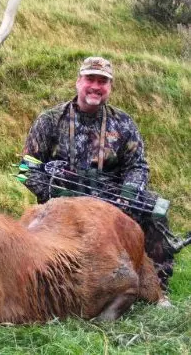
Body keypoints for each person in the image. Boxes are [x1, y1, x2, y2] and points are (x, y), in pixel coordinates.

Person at [22, 56, 174, 290]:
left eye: (102, 81)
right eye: (90, 79)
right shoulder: (50, 120)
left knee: (154, 208)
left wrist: (128, 194)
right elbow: (27, 169)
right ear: (78, 82)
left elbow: (138, 166)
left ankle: (158, 285)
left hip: (113, 201)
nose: (95, 86)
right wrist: (53, 192)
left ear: (109, 87)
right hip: (61, 203)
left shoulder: (122, 122)